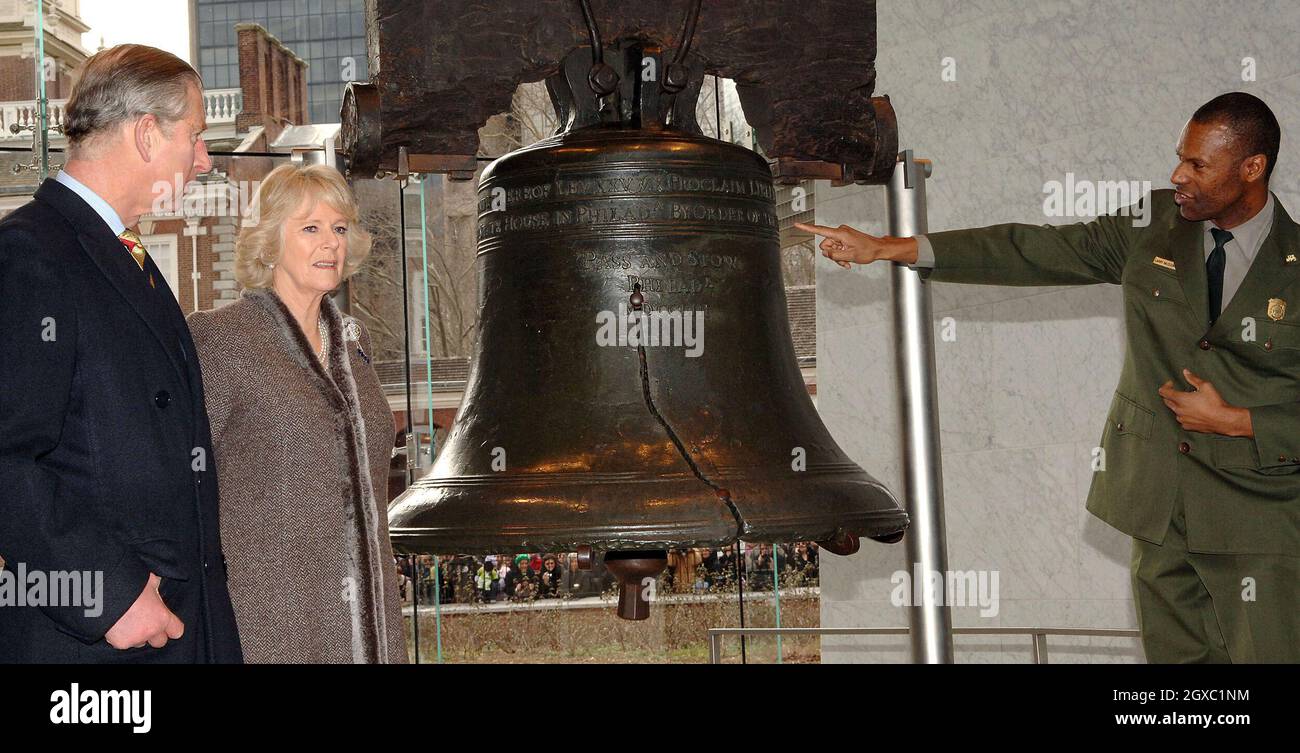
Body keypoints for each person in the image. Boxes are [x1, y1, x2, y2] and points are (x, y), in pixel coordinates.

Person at [798, 92, 1298, 663]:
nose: (1177, 174)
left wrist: (1240, 422)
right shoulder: (1154, 223)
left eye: (1198, 165)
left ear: (1252, 168)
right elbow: (1037, 249)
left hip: (1259, 518)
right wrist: (890, 248)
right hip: (1158, 509)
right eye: (1180, 158)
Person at [0, 45, 242, 663]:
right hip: (95, 648)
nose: (204, 159)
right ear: (144, 134)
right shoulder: (29, 255)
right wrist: (104, 595)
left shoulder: (122, 253)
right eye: (194, 137)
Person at [188, 162, 406, 663]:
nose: (331, 243)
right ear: (269, 240)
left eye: (339, 228)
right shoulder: (222, 341)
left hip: (372, 619)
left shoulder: (355, 343)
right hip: (272, 622)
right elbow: (178, 476)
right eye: (311, 228)